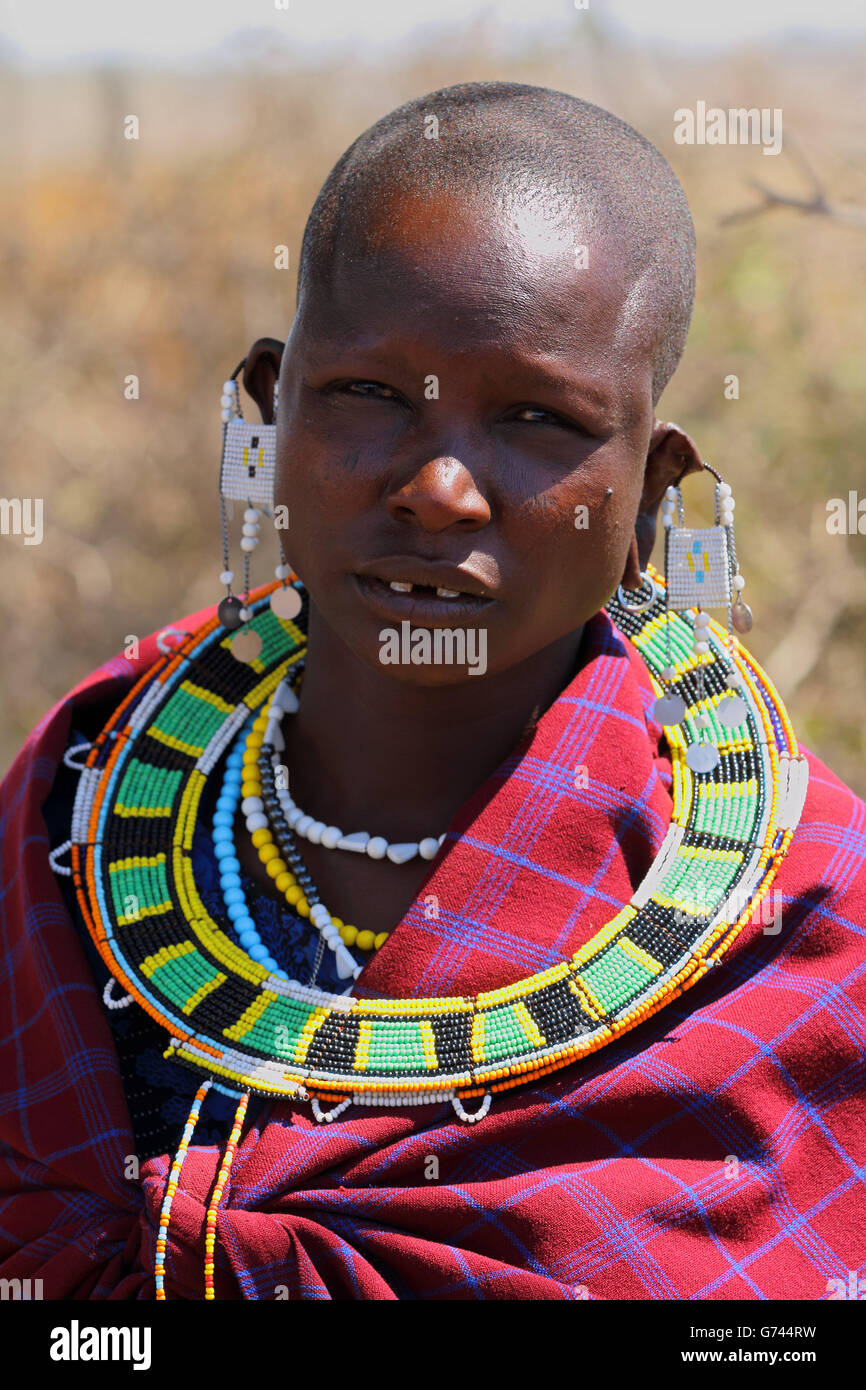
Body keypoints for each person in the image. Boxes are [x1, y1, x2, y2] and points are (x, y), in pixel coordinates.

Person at [1, 81, 863, 1302]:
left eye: (536, 416)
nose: (440, 488)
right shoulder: (74, 798)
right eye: (365, 394)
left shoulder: (801, 920)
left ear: (651, 495)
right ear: (267, 412)